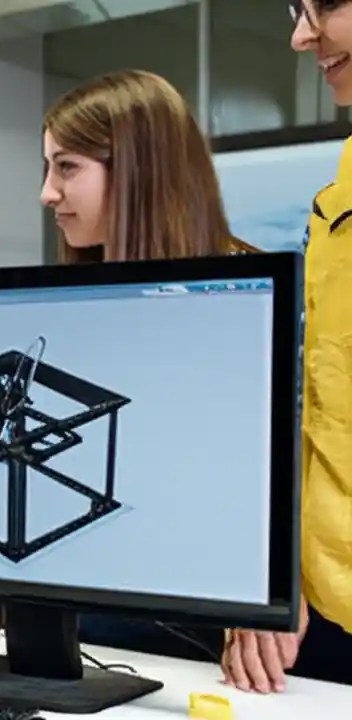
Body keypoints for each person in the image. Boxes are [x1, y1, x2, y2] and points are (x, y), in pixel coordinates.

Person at [0, 69, 252, 663]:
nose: (47, 193)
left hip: (195, 640)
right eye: (47, 168)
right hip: (87, 631)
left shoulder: (246, 306)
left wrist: (268, 594)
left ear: (137, 170)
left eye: (67, 168)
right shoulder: (76, 306)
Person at [214, 0, 352, 693]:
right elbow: (321, 410)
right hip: (328, 615)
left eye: (327, 3)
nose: (302, 36)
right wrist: (276, 573)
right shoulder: (341, 187)